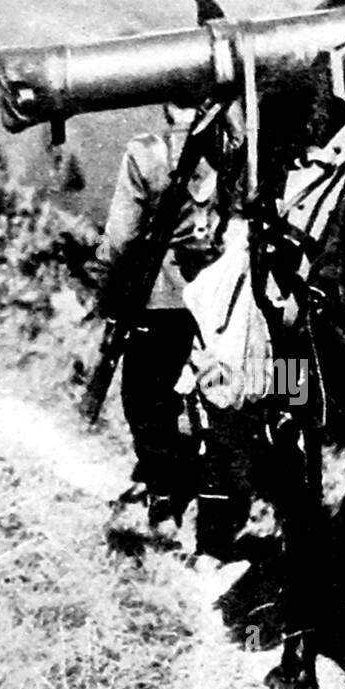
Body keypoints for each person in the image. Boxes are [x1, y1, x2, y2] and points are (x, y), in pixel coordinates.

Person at [96, 96, 238, 541]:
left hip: (162, 300)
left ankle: (163, 498)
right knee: (230, 398)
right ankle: (221, 514)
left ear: (165, 104)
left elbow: (121, 238)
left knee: (145, 397)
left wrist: (108, 294)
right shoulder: (236, 152)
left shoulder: (145, 152)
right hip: (227, 300)